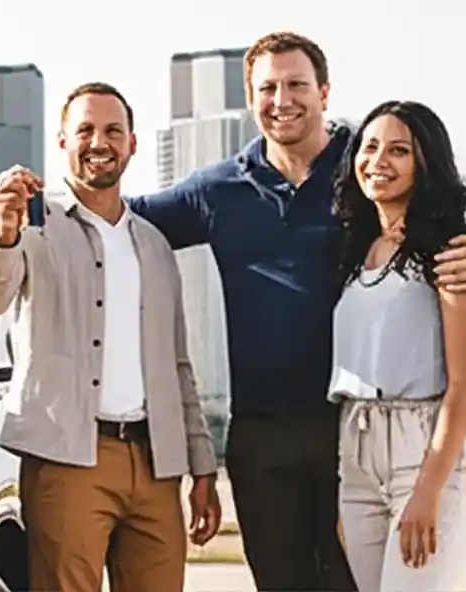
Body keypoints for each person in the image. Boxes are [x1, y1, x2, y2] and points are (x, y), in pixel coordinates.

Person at [122, 31, 466, 590]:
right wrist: (28, 207)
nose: (282, 99)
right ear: (250, 97)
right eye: (268, 88)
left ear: (324, 91)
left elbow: (441, 202)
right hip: (261, 436)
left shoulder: (365, 166)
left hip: (351, 428)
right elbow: (126, 217)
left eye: (297, 85)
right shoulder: (218, 189)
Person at [0, 82, 221, 592]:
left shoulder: (154, 244)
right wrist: (4, 233)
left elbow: (178, 365)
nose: (98, 142)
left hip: (155, 464)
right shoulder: (31, 225)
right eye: (85, 130)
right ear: (62, 141)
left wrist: (203, 468)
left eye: (112, 131)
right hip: (68, 460)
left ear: (131, 144)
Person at [328, 101, 466, 591]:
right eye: (370, 147)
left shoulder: (450, 254)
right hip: (357, 444)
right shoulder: (355, 250)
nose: (378, 160)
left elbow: (462, 385)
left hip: (422, 445)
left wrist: (429, 491)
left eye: (399, 150)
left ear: (425, 163)